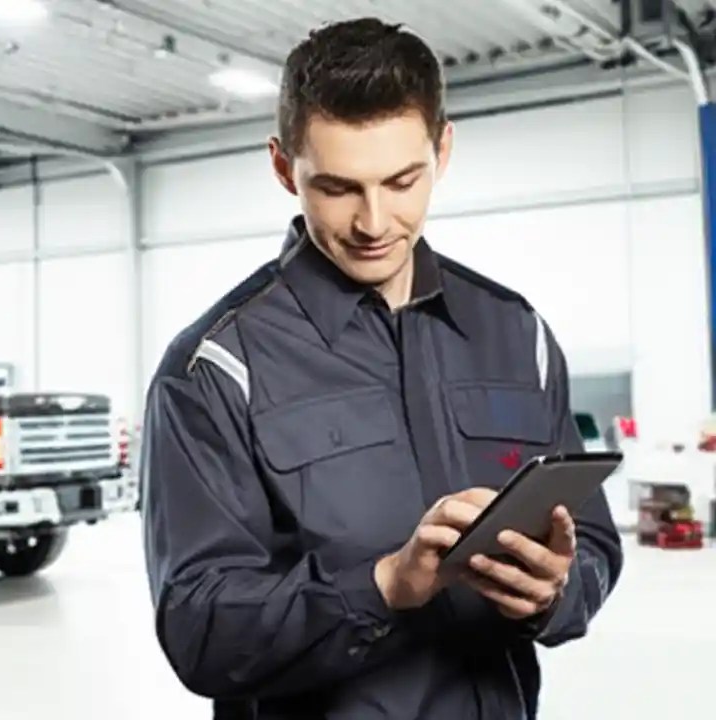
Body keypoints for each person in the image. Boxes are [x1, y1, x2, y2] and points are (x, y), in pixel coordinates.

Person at [139, 17, 623, 720]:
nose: (374, 222)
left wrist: (554, 591)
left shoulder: (518, 334)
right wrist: (387, 586)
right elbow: (200, 631)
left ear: (443, 151)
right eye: (337, 188)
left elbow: (595, 544)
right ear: (284, 169)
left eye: (403, 181)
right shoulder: (213, 369)